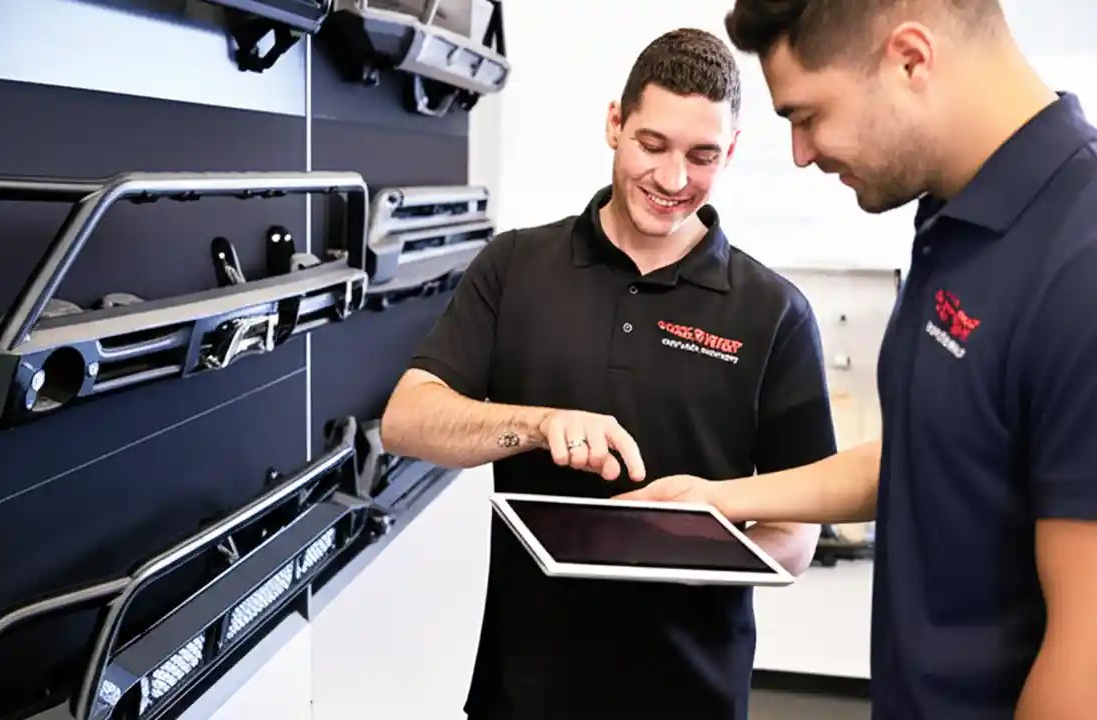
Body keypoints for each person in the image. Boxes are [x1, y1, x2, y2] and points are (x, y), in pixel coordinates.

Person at [620, 2, 1097, 719]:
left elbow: (1086, 664)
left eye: (808, 116)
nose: (801, 153)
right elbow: (932, 448)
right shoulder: (955, 219)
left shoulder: (1080, 261)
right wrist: (720, 499)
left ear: (910, 59)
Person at [380, 28, 838, 720]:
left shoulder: (775, 312)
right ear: (615, 124)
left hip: (691, 699)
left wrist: (675, 544)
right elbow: (407, 421)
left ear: (731, 151)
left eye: (703, 156)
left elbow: (795, 539)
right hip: (522, 695)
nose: (674, 181)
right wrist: (539, 424)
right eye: (653, 145)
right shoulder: (515, 266)